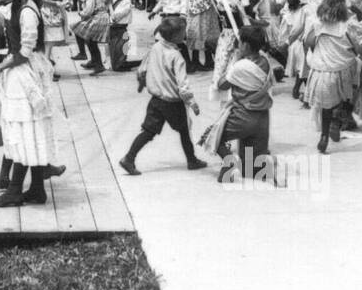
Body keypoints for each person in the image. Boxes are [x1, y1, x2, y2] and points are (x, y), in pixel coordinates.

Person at [0, 0, 58, 208]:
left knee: (24, 126)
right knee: (29, 126)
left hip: (24, 73)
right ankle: (37, 189)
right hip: (22, 71)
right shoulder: (18, 8)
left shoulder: (27, 12)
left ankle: (16, 189)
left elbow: (24, 53)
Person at [118, 16, 205, 175]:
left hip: (156, 101)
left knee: (148, 131)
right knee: (184, 131)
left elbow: (142, 68)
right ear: (175, 36)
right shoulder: (176, 56)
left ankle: (129, 158)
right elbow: (183, 85)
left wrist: (141, 83)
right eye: (183, 32)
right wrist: (192, 103)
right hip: (173, 102)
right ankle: (192, 160)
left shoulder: (156, 47)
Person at [208, 25, 276, 183]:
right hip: (262, 117)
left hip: (242, 115)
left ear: (245, 45)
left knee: (211, 137)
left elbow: (221, 84)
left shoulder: (240, 67)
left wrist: (234, 61)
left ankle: (228, 162)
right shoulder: (265, 62)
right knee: (251, 169)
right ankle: (259, 171)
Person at [303, 0, 362, 154]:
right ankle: (337, 122)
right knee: (346, 92)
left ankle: (324, 135)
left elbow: (308, 42)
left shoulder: (317, 24)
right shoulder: (347, 25)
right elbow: (357, 48)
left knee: (326, 105)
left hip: (323, 69)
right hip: (342, 68)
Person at [70, 0, 109, 74]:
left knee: (85, 36)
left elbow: (88, 11)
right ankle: (94, 61)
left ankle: (96, 63)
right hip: (99, 17)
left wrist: (81, 13)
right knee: (87, 38)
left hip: (98, 18)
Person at [107, 0, 140, 71]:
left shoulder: (127, 2)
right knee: (114, 60)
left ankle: (141, 62)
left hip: (121, 31)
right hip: (112, 30)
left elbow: (115, 17)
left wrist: (109, 6)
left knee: (118, 65)